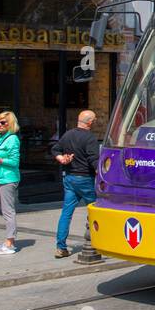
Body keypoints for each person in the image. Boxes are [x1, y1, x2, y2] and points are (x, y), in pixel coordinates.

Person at [52, 110, 99, 258]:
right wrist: (102, 172)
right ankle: (97, 243)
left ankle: (61, 247)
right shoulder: (90, 138)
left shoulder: (68, 134)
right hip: (86, 179)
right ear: (90, 122)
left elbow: (55, 149)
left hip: (70, 178)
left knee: (66, 213)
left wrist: (61, 159)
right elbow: (93, 160)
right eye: (95, 120)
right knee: (96, 211)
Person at [0, 111, 21, 255]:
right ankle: (9, 240)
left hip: (8, 178)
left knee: (8, 211)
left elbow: (14, 162)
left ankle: (10, 242)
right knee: (5, 209)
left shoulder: (12, 139)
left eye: (3, 122)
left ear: (10, 124)